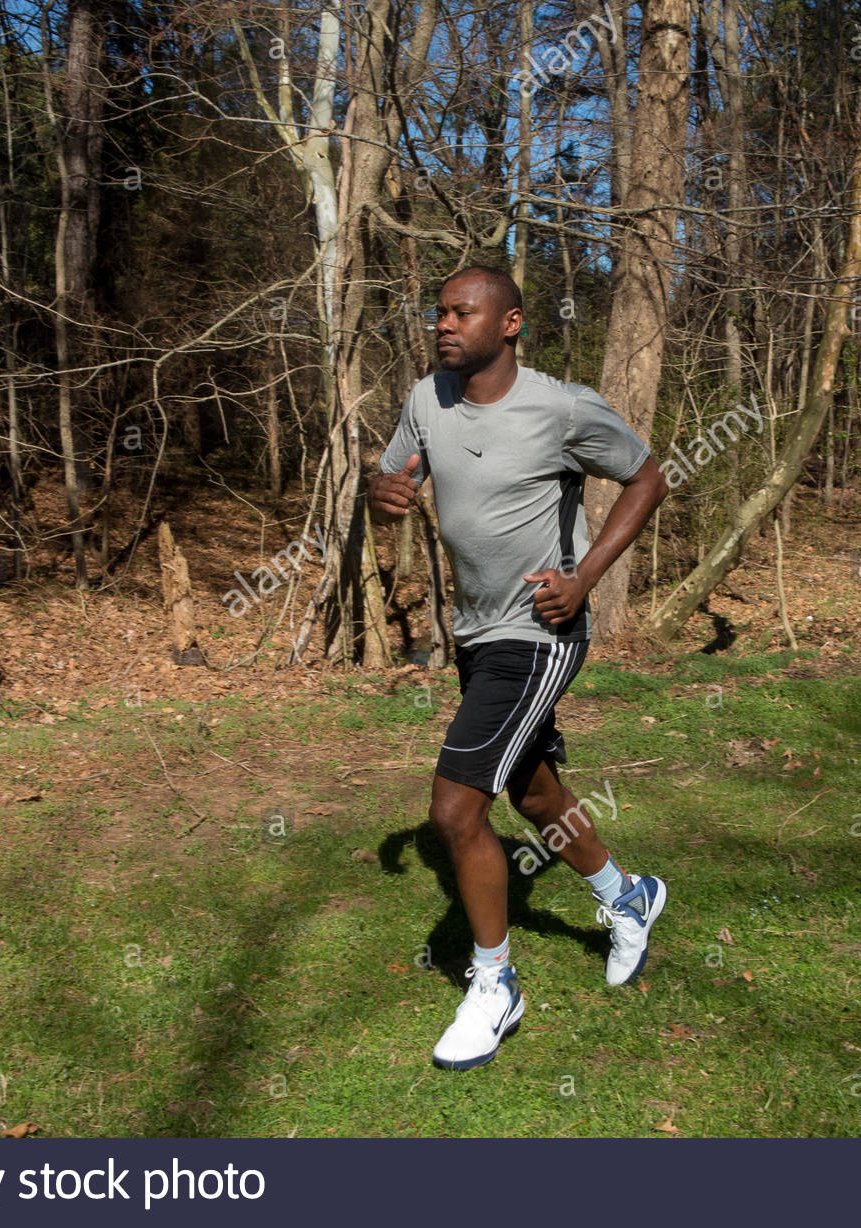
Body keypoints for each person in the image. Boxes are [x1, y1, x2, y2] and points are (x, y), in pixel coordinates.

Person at [368, 265, 669, 1070]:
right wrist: (380, 494)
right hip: (475, 633)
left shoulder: (561, 407)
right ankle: (626, 896)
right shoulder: (428, 398)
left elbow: (647, 476)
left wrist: (585, 579)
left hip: (539, 631)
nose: (444, 324)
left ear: (510, 323)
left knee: (456, 809)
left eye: (462, 312)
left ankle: (494, 984)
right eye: (438, 312)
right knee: (533, 791)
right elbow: (389, 476)